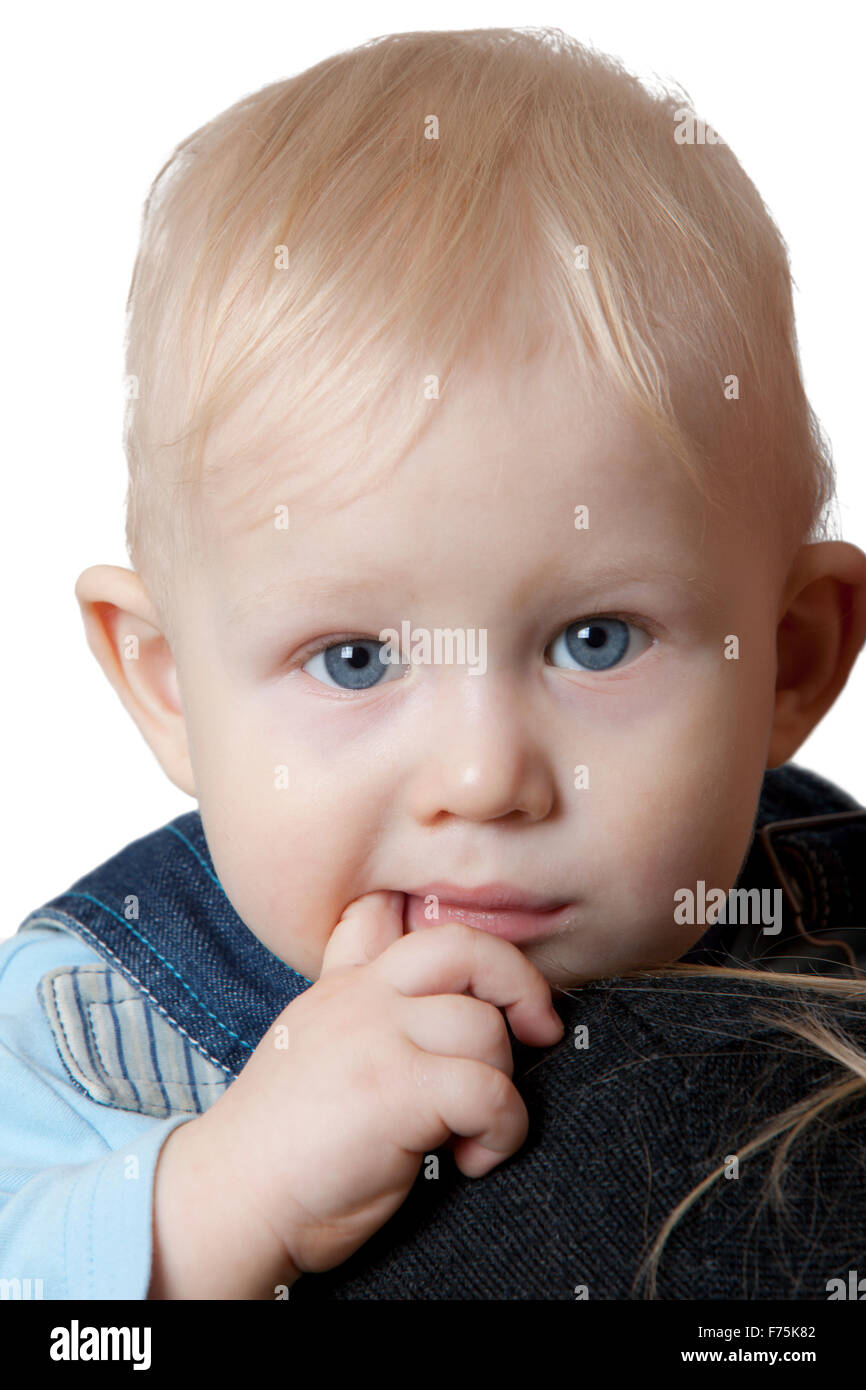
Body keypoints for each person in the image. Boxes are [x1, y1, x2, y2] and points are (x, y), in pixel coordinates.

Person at [2, 26, 866, 1301]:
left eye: (593, 640)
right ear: (169, 683)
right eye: (352, 658)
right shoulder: (103, 1017)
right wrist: (215, 1203)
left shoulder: (821, 897)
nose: (480, 776)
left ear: (787, 662)